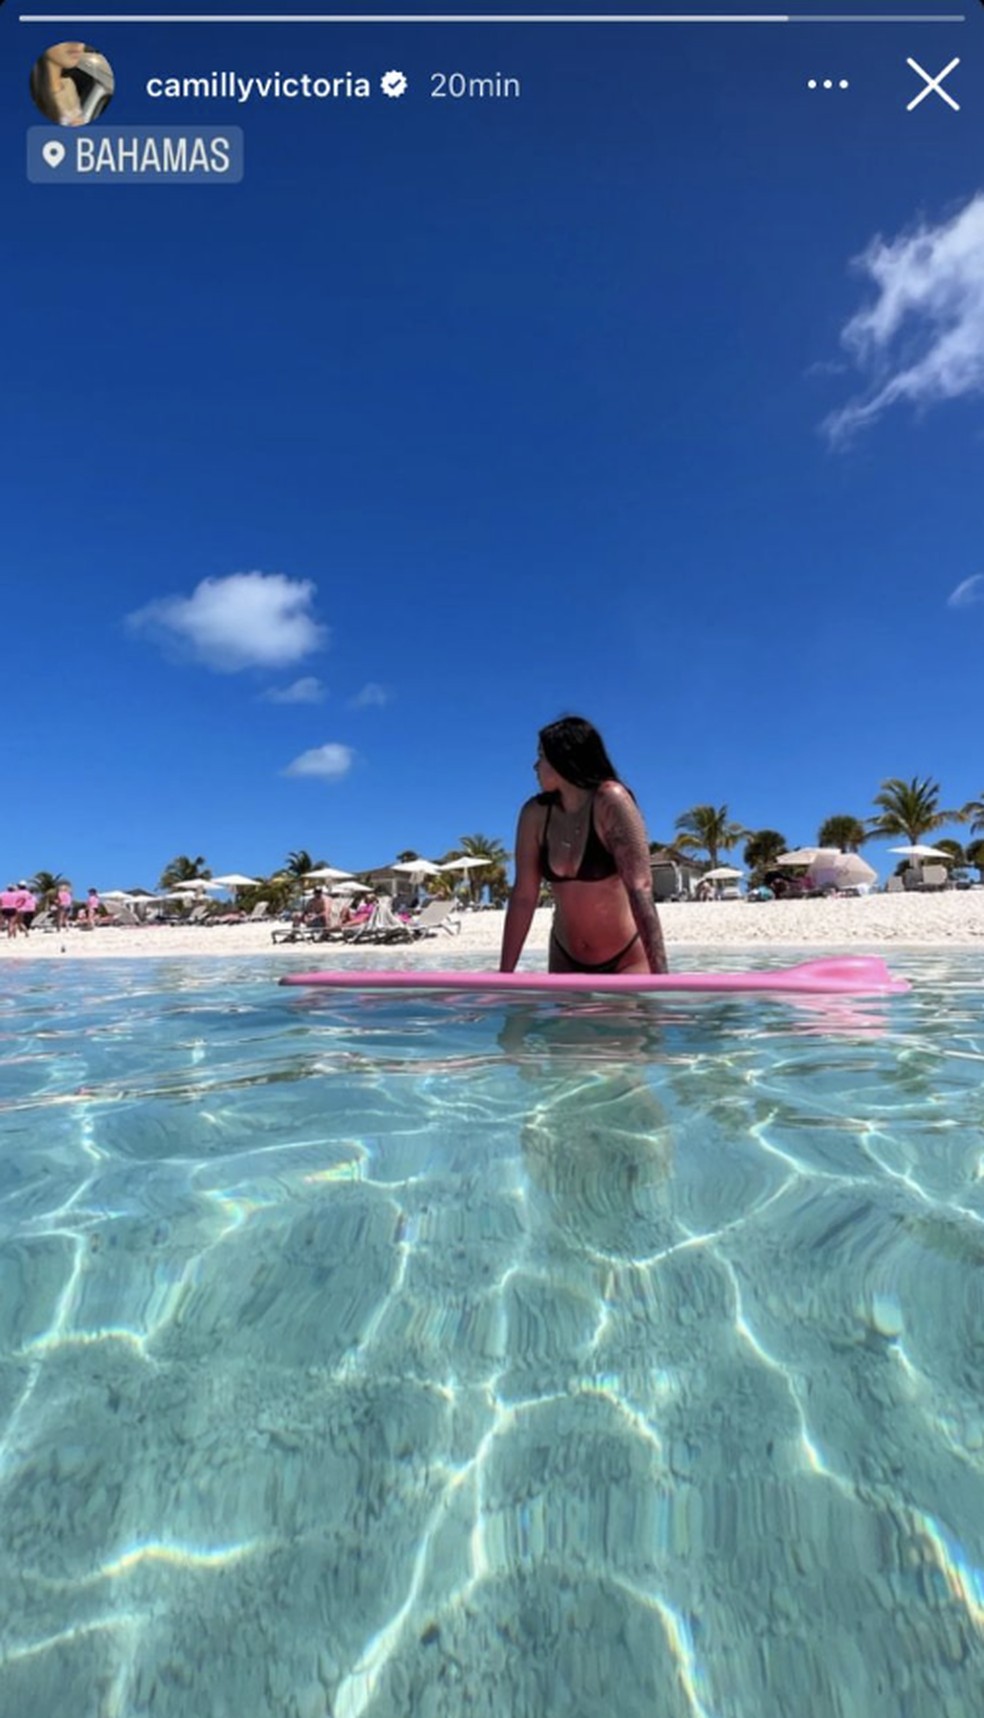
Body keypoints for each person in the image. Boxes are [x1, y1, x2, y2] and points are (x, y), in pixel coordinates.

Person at [500, 715, 668, 975]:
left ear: (563, 759)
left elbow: (640, 887)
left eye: (542, 756)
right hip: (564, 957)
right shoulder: (535, 814)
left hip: (626, 959)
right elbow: (523, 896)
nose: (535, 766)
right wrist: (504, 976)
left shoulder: (611, 801)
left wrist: (661, 979)